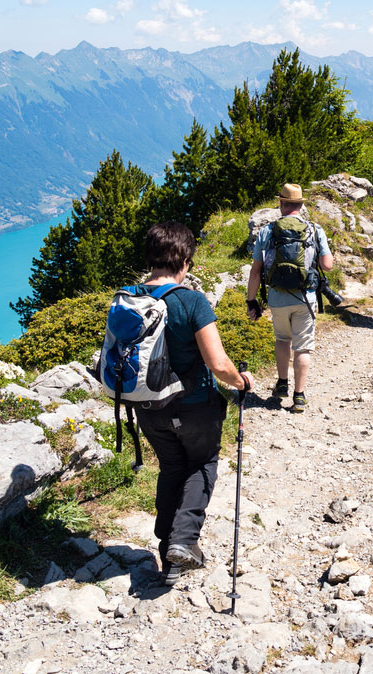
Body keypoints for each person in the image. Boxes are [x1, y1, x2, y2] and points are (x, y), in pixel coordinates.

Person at [132, 220, 254, 586]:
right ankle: (183, 542)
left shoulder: (130, 298)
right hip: (194, 406)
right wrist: (241, 381)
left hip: (147, 407)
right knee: (202, 464)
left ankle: (168, 552)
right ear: (184, 259)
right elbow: (217, 364)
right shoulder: (191, 301)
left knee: (171, 468)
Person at [246, 183, 333, 413]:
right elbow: (328, 265)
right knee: (303, 347)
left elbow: (256, 271)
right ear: (301, 205)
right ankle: (299, 396)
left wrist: (251, 300)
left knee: (282, 339)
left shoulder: (267, 231)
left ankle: (282, 383)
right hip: (306, 297)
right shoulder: (315, 229)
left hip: (277, 296)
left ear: (281, 204)